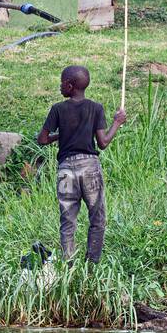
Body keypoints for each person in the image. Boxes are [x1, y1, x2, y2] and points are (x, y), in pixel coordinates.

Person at [36, 64, 125, 262]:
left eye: (61, 83)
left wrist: (60, 135)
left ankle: (68, 266)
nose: (60, 86)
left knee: (67, 220)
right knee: (97, 218)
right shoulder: (96, 108)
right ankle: (91, 265)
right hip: (90, 167)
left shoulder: (58, 109)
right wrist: (117, 122)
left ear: (70, 85)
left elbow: (42, 139)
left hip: (66, 169)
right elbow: (103, 143)